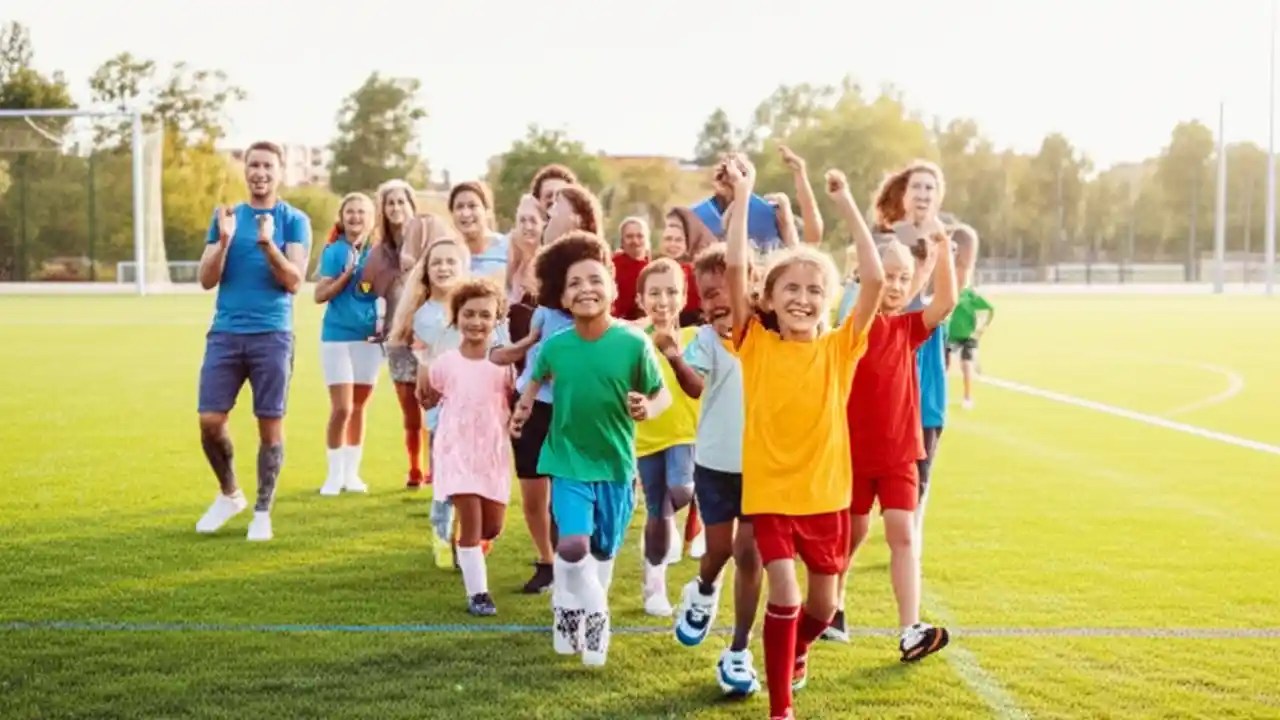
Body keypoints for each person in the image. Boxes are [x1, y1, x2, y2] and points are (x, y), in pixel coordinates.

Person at [723, 155, 884, 720]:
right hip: (771, 497)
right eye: (790, 287)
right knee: (785, 596)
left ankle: (799, 650)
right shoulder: (754, 344)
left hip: (826, 498)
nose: (802, 297)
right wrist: (743, 196)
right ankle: (781, 710)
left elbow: (877, 279)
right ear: (769, 298)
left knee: (823, 605)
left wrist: (844, 201)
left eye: (815, 289)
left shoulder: (840, 349)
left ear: (828, 300)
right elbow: (737, 267)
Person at [509, 230, 671, 668]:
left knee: (601, 552)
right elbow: (534, 379)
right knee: (574, 545)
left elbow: (662, 396)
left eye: (595, 280)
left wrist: (647, 407)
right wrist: (522, 411)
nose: (585, 289)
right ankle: (596, 616)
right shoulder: (555, 347)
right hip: (567, 460)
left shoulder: (633, 344)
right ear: (561, 297)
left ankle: (566, 605)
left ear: (614, 290)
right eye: (574, 283)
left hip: (616, 467)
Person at [839, 159, 957, 664]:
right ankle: (832, 603)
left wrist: (944, 248)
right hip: (853, 451)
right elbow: (868, 279)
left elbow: (947, 299)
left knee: (903, 533)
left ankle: (910, 628)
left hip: (899, 453)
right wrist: (846, 201)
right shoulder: (854, 326)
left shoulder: (909, 328)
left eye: (901, 278)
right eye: (885, 276)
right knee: (854, 531)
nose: (892, 284)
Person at [194, 140, 311, 542]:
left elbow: (294, 281)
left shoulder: (294, 220)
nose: (260, 173)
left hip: (272, 336)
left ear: (280, 172)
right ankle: (230, 494)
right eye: (254, 165)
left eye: (268, 166)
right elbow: (207, 279)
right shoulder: (226, 217)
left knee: (269, 427)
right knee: (210, 420)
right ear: (245, 171)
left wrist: (267, 244)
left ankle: (263, 509)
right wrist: (225, 241)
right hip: (226, 333)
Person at [670, 243, 764, 698]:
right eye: (707, 295)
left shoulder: (773, 333)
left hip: (764, 468)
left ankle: (739, 651)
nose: (718, 299)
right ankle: (703, 588)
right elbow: (694, 386)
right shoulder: (705, 340)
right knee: (720, 550)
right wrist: (674, 356)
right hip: (714, 465)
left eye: (727, 287)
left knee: (750, 554)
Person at [422, 277, 515, 616]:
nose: (477, 322)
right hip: (456, 450)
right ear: (456, 317)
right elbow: (429, 399)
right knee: (474, 523)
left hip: (491, 454)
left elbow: (515, 399)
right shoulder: (446, 363)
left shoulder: (504, 364)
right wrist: (422, 381)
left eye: (485, 315)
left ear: (497, 319)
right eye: (469, 314)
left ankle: (461, 540)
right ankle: (479, 594)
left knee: (492, 527)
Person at [361, 179, 450, 489]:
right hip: (398, 340)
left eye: (402, 202)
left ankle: (439, 470)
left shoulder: (430, 242)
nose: (396, 208)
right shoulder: (380, 254)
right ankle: (415, 469)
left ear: (412, 206)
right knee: (410, 410)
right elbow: (366, 288)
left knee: (437, 407)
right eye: (390, 203)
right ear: (383, 210)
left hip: (433, 337)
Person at [633, 258, 702, 617]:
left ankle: (673, 526)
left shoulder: (695, 338)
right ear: (641, 299)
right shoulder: (633, 343)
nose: (663, 300)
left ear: (684, 296)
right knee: (657, 512)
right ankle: (653, 587)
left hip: (687, 435)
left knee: (682, 490)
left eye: (672, 291)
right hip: (646, 441)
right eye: (654, 293)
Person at [313, 192, 380, 496]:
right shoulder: (334, 251)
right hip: (337, 337)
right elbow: (319, 295)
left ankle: (352, 474)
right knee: (341, 408)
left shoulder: (379, 253)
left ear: (371, 218)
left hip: (369, 339)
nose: (356, 217)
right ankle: (333, 474)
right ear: (342, 217)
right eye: (350, 212)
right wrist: (346, 275)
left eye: (362, 212)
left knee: (360, 407)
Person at [947, 284, 994, 409]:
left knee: (966, 365)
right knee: (944, 366)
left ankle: (967, 397)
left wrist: (983, 327)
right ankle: (942, 396)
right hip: (950, 335)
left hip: (968, 337)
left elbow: (990, 308)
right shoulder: (947, 290)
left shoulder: (970, 295)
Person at [611, 216, 651, 321]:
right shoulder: (612, 266)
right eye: (629, 236)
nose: (635, 241)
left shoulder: (652, 267)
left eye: (640, 236)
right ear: (622, 241)